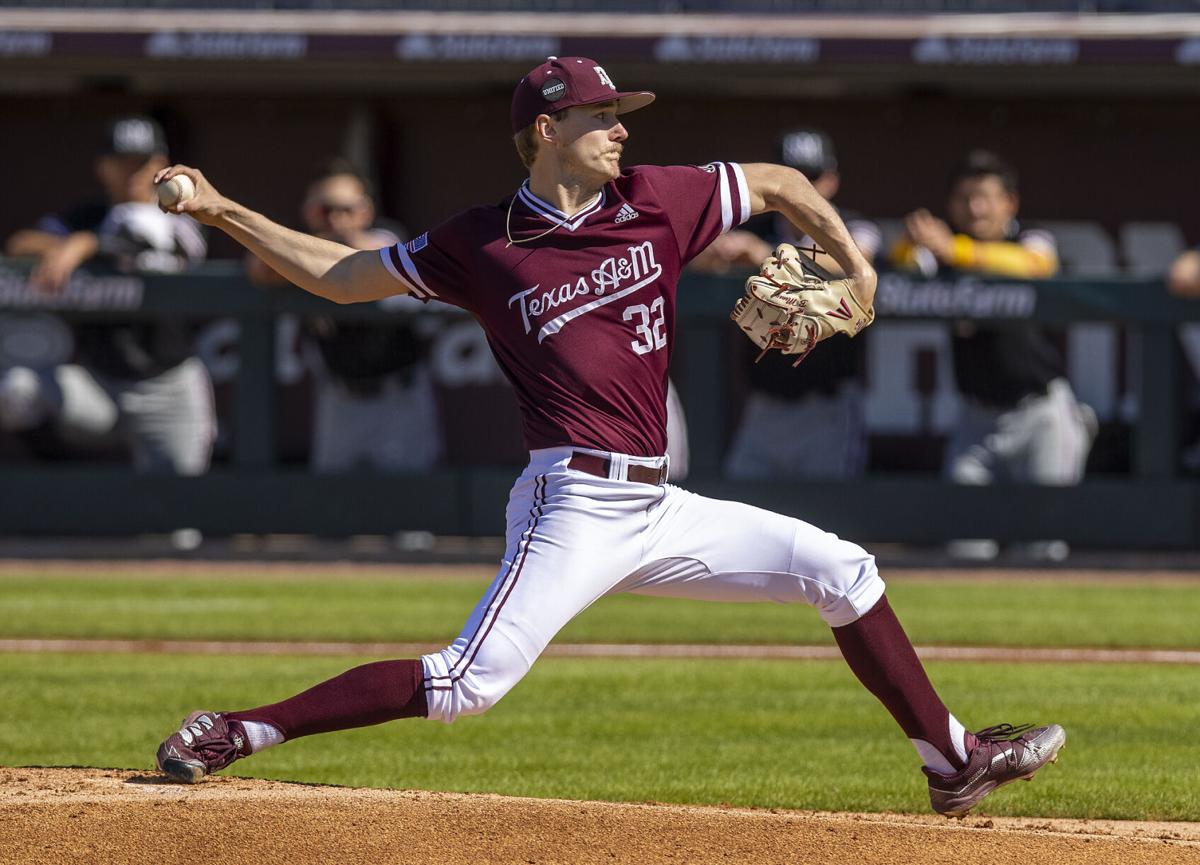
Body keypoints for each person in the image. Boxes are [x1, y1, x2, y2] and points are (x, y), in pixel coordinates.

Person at [152, 58, 1064, 817]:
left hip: (657, 501)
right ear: (546, 129)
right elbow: (343, 276)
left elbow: (782, 185)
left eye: (620, 114)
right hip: (572, 501)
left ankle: (953, 761)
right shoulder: (486, 241)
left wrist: (857, 264)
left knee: (843, 570)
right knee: (468, 683)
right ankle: (239, 727)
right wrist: (223, 208)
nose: (621, 128)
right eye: (601, 113)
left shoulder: (657, 200)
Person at [891, 150, 1096, 561]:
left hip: (1040, 413)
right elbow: (900, 265)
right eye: (964, 198)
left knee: (1042, 546)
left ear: (1010, 203)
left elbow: (1037, 265)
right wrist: (910, 242)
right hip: (976, 419)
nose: (974, 208)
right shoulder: (943, 251)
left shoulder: (1029, 238)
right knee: (965, 544)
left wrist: (957, 252)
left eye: (984, 197)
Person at [0, 115, 213, 475]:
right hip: (100, 383)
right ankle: (63, 478)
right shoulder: (87, 215)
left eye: (141, 162)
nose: (132, 172)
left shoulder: (182, 216)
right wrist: (70, 243)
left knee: (178, 520)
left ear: (162, 166)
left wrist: (84, 245)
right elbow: (20, 243)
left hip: (167, 385)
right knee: (17, 390)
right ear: (103, 166)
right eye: (121, 162)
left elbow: (144, 242)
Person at [246, 160, 441, 473]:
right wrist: (295, 250)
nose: (336, 220)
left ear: (365, 210)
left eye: (345, 210)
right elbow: (259, 270)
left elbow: (369, 253)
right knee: (332, 511)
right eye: (325, 211)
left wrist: (307, 251)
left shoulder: (387, 238)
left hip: (397, 398)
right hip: (339, 399)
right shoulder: (307, 253)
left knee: (410, 510)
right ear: (310, 212)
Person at [721, 129, 881, 480]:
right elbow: (703, 254)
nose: (802, 190)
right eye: (791, 177)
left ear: (832, 181)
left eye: (812, 178)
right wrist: (726, 252)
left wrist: (763, 256)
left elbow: (857, 260)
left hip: (827, 405)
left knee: (828, 518)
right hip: (765, 403)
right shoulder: (755, 227)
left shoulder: (854, 226)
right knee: (743, 506)